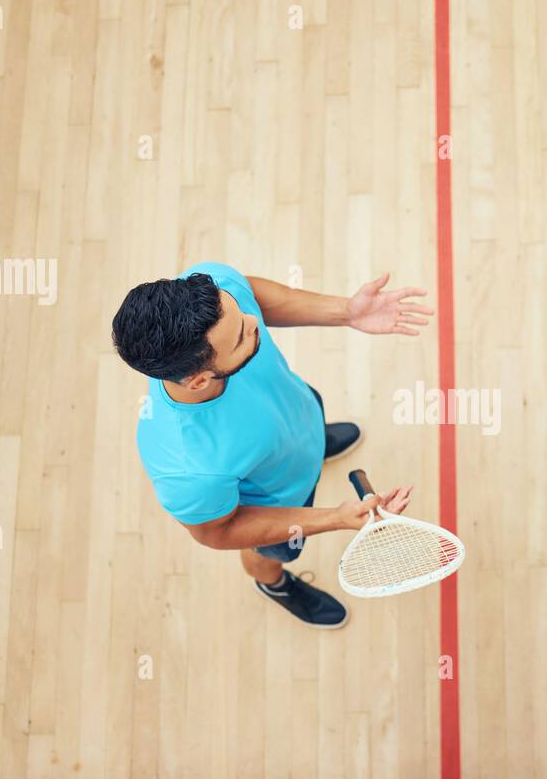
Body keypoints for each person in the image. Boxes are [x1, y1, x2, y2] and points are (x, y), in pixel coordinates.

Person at [112, 263, 433, 629]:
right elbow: (220, 531)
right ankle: (274, 585)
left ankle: (314, 446)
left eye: (237, 308)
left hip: (298, 415)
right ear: (199, 380)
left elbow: (252, 294)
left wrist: (346, 311)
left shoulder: (213, 293)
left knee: (299, 433)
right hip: (281, 501)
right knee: (271, 555)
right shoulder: (188, 469)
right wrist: (336, 518)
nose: (253, 321)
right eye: (240, 337)